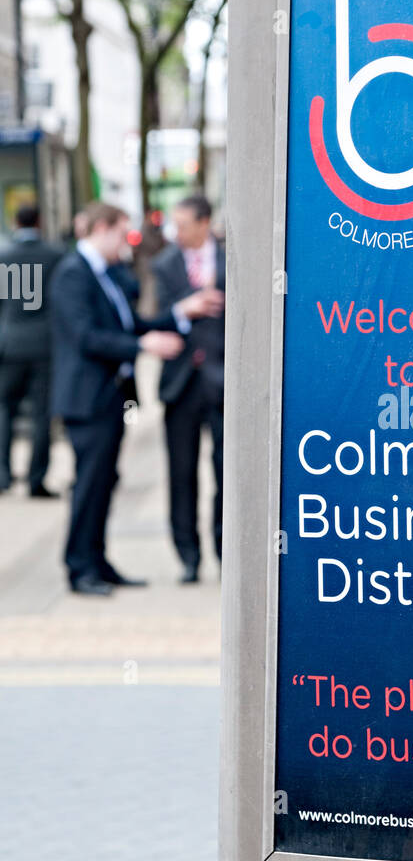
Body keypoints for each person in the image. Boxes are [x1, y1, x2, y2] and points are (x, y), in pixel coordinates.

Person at [50, 201, 222, 596]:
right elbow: (86, 337)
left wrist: (178, 313)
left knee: (105, 481)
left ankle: (97, 560)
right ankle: (79, 568)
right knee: (89, 484)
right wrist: (142, 345)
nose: (127, 244)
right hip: (86, 399)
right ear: (102, 229)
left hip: (110, 398)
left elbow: (133, 323)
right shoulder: (72, 275)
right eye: (121, 233)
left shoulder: (106, 274)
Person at [150, 195, 226, 584]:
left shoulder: (235, 259)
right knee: (181, 474)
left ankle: (224, 551)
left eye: (182, 225)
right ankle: (188, 555)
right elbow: (153, 318)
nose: (175, 232)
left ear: (204, 223)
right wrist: (186, 308)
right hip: (180, 384)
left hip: (224, 382)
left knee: (226, 473)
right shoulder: (163, 264)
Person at [0, 204, 64, 497]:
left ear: (16, 222)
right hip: (44, 346)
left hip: (10, 344)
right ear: (39, 221)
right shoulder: (54, 255)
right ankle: (36, 479)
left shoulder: (4, 257)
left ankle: (3, 475)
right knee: (42, 414)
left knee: (4, 410)